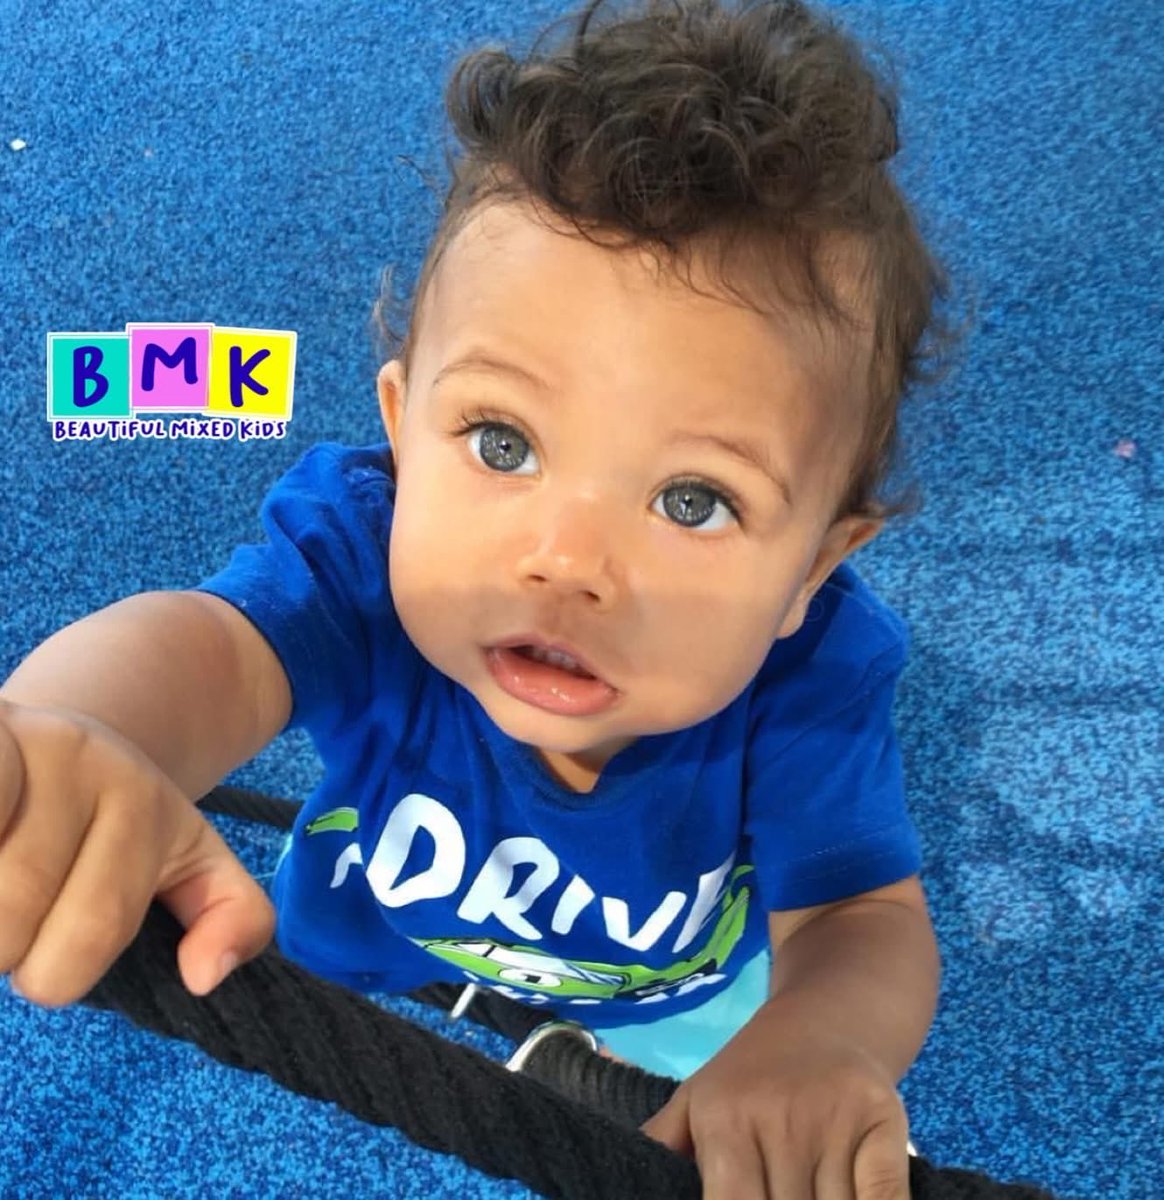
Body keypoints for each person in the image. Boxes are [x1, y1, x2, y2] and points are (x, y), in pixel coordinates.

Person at [0, 1, 955, 1196]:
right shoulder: (363, 556)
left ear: (812, 567)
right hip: (383, 922)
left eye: (695, 500)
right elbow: (214, 649)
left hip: (670, 990)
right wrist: (71, 731)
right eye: (503, 443)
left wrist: (818, 1040)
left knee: (731, 1085)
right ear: (403, 435)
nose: (566, 561)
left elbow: (859, 916)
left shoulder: (816, 673)